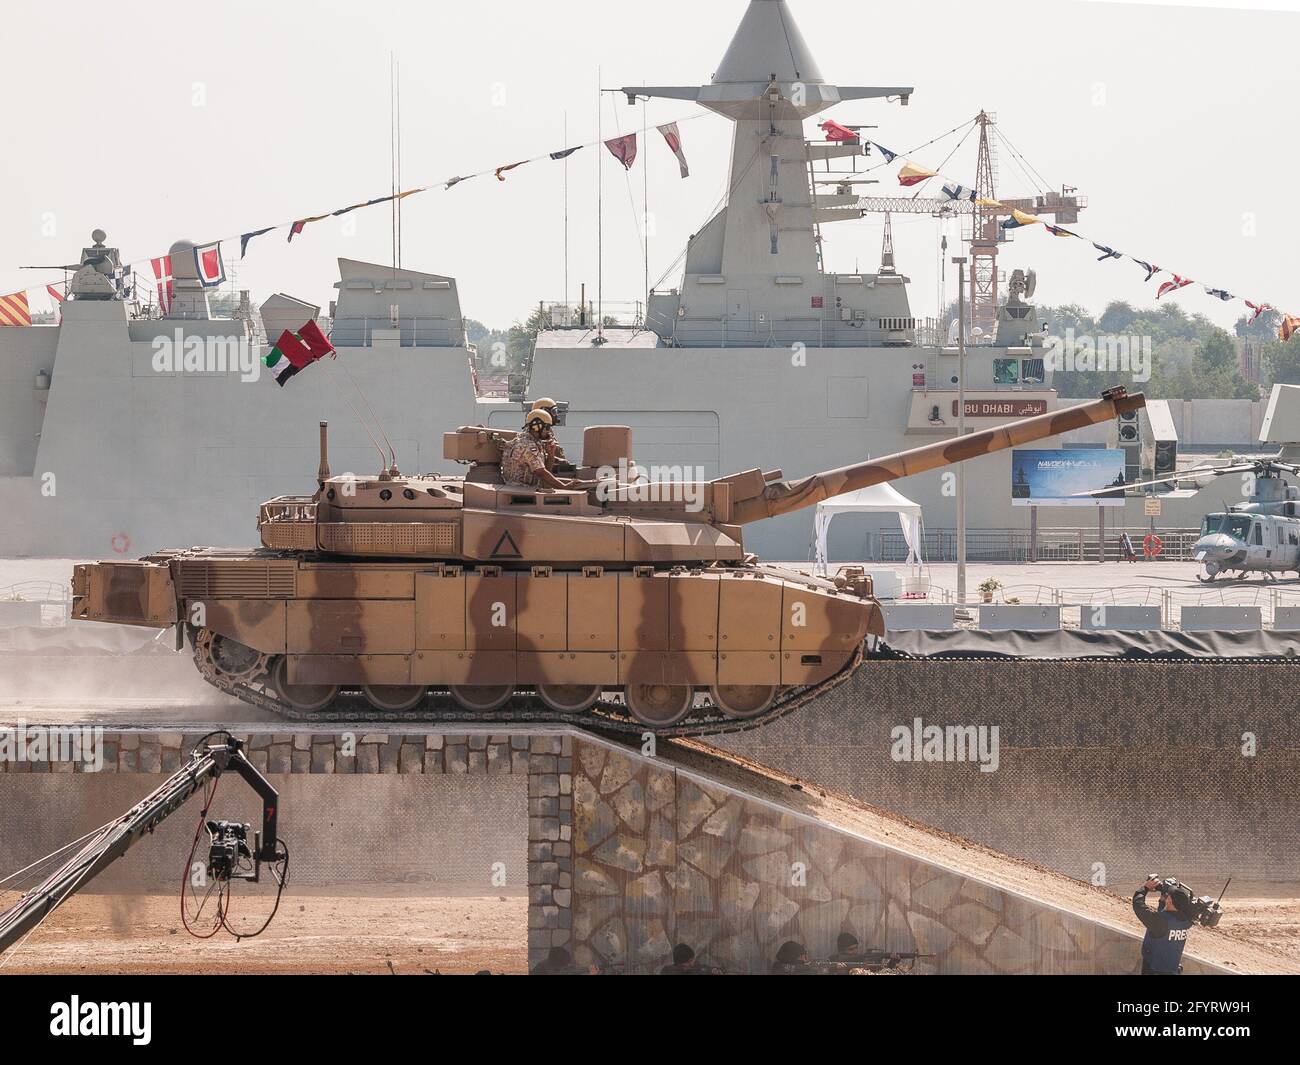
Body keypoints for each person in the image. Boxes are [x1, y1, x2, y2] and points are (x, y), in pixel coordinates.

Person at [1132, 876, 1194, 975]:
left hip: (1153, 969)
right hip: (1172, 969)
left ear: (1169, 901)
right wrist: (1163, 896)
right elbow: (1168, 913)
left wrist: (1145, 888)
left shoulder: (1160, 923)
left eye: (1168, 895)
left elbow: (1138, 906)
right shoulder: (1186, 921)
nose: (1166, 896)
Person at [500, 409, 576, 490]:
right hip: (519, 490)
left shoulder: (535, 442)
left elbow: (545, 470)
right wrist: (564, 487)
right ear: (537, 426)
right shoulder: (527, 445)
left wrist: (551, 455)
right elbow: (541, 472)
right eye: (547, 427)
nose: (549, 431)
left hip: (527, 489)